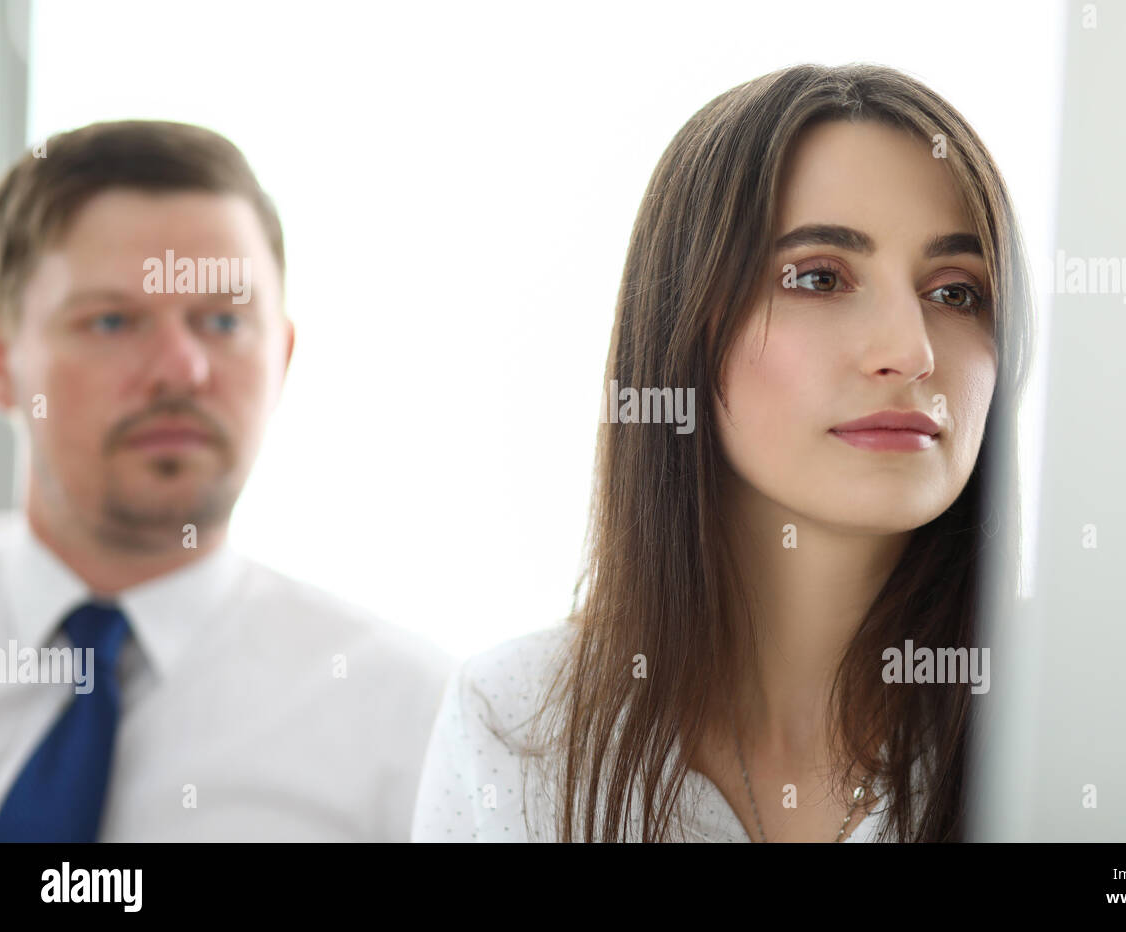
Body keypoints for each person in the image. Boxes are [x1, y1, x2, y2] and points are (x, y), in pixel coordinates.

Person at [411, 63, 1033, 842]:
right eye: (818, 277)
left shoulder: (1090, 718)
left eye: (955, 292)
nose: (909, 351)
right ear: (685, 333)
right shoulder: (513, 723)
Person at [0, 120, 453, 841]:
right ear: (0, 362)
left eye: (223, 321)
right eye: (113, 321)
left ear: (284, 357)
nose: (182, 370)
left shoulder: (416, 724)